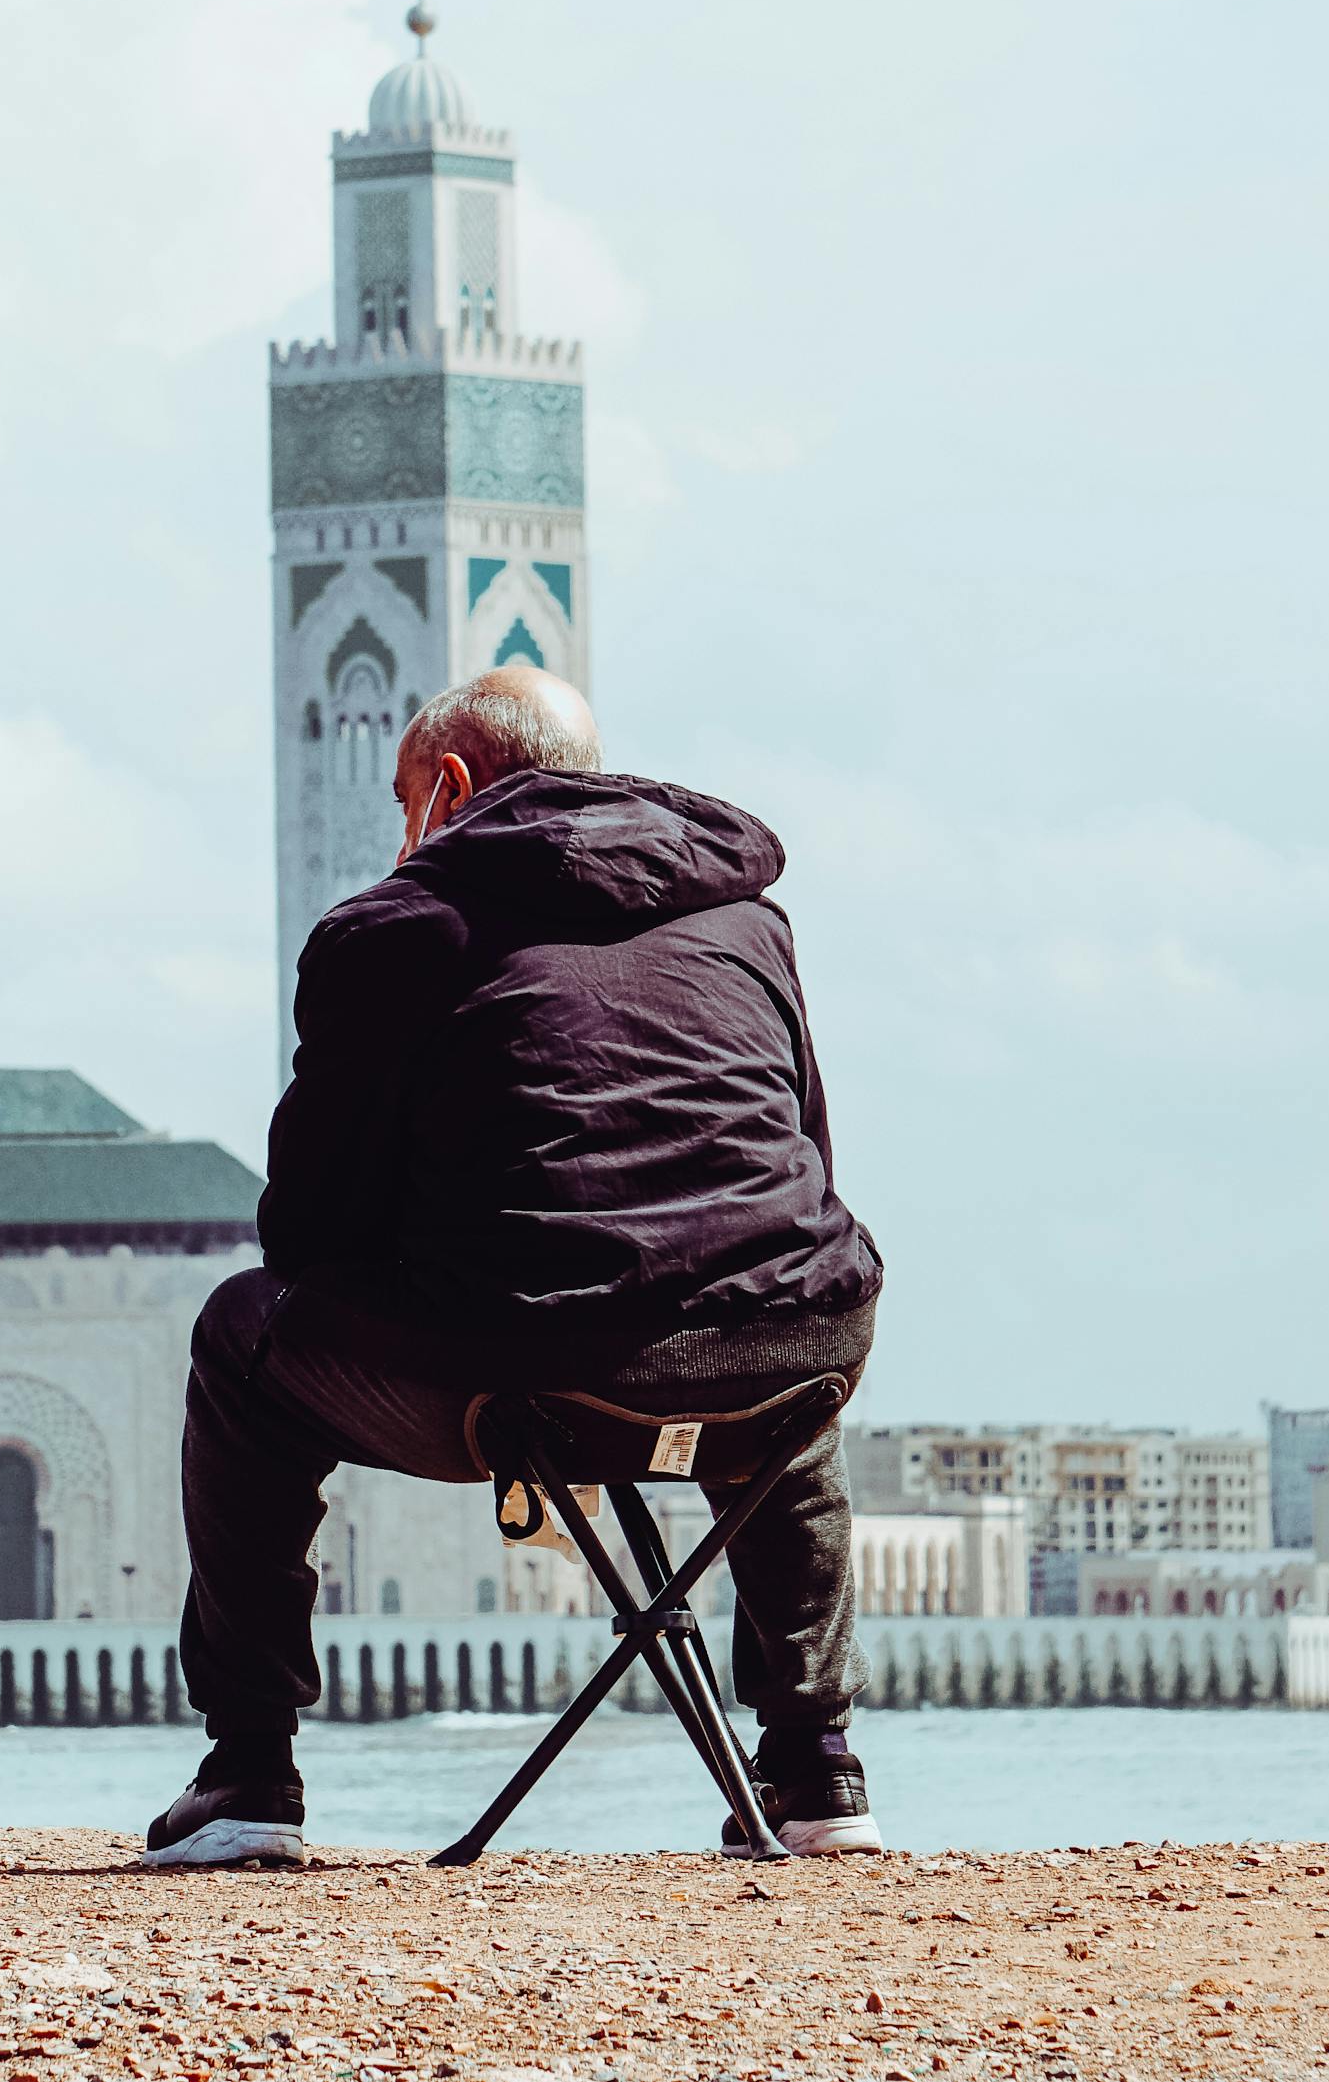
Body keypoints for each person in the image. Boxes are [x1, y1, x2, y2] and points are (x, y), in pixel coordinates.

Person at [142, 666, 884, 1867]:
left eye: (401, 801)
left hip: (522, 1367)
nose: (398, 835)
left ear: (447, 787)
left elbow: (308, 1225)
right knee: (776, 1307)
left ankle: (248, 1776)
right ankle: (816, 1767)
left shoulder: (391, 932)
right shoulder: (751, 919)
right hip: (779, 1355)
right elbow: (800, 1150)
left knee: (241, 1336)